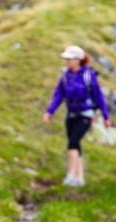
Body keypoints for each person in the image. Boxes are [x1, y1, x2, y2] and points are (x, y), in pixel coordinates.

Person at [42, 44, 111, 186]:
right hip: (71, 114)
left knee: (73, 143)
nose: (66, 62)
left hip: (85, 114)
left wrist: (106, 116)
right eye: (66, 59)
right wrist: (50, 112)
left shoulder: (88, 75)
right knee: (76, 144)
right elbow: (58, 95)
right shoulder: (66, 76)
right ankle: (80, 178)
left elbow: (99, 96)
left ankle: (71, 175)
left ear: (78, 60)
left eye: (69, 59)